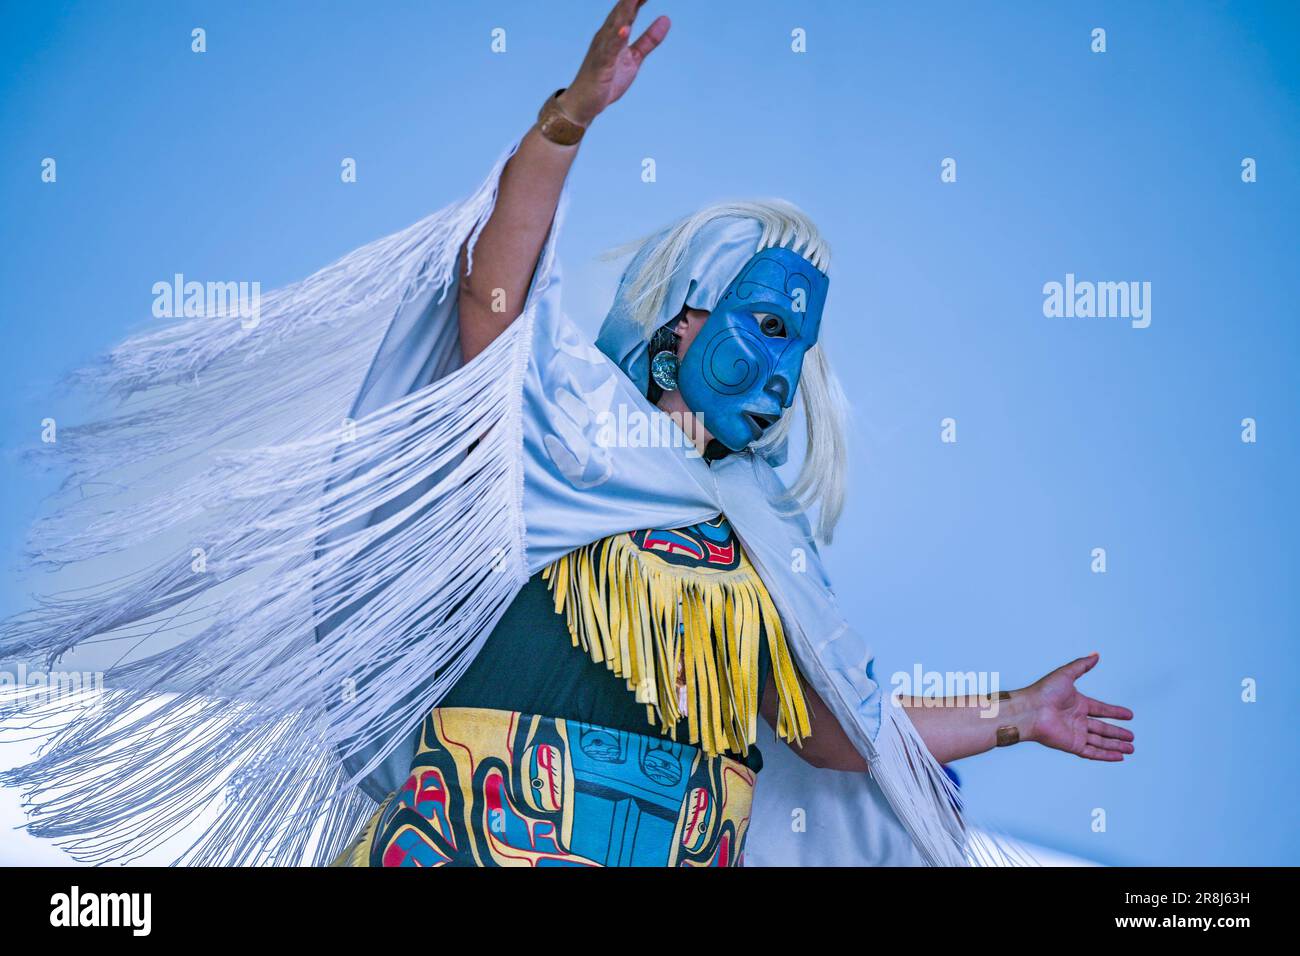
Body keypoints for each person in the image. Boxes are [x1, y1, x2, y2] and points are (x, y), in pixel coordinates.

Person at [0, 0, 1133, 868]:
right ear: (688, 307)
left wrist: (1013, 714)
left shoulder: (767, 542)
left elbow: (844, 736)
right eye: (768, 322)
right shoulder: (556, 426)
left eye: (803, 347)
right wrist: (563, 126)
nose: (783, 367)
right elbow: (491, 297)